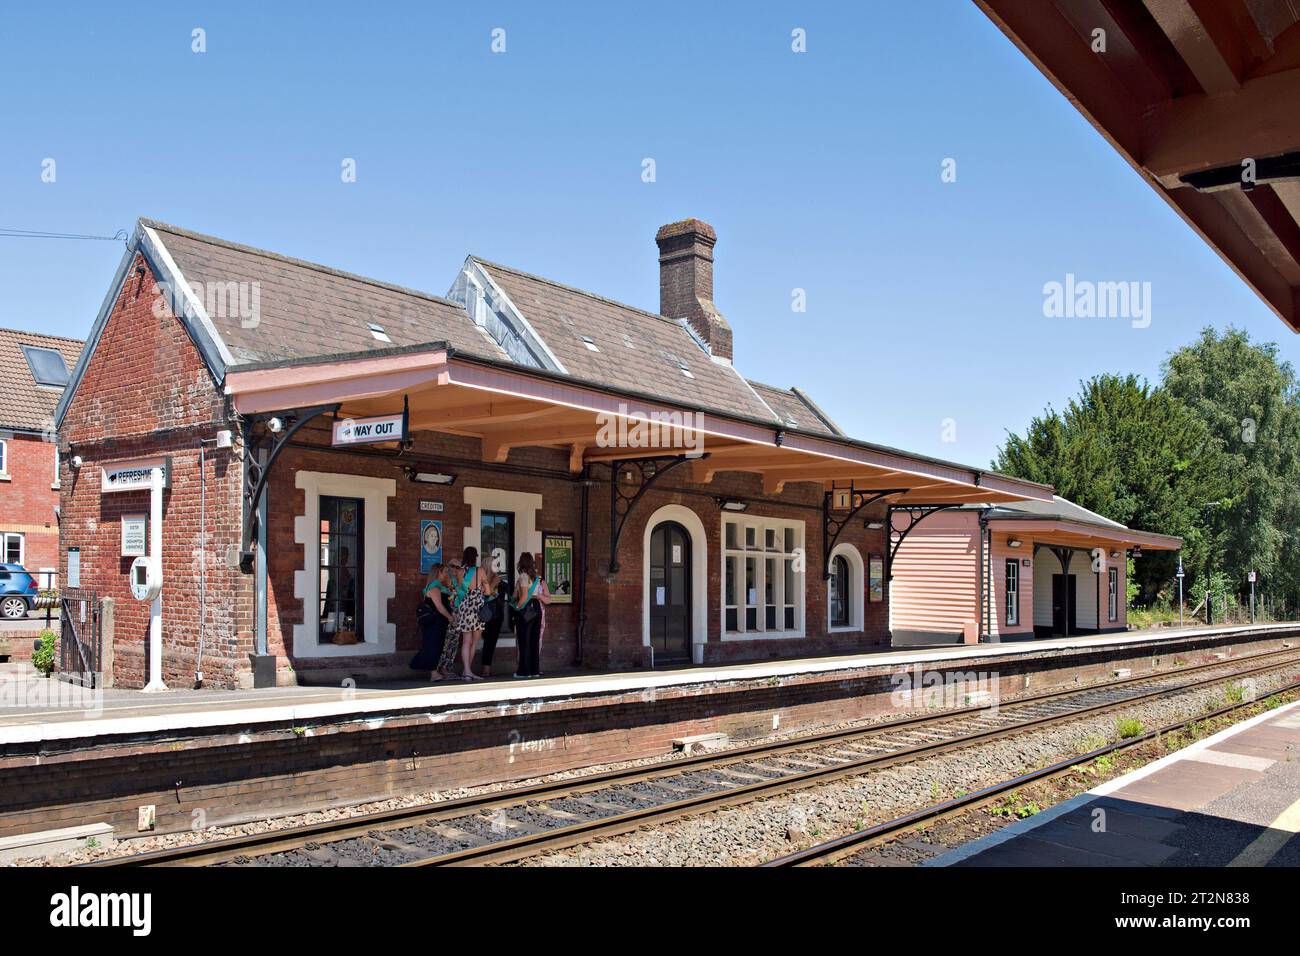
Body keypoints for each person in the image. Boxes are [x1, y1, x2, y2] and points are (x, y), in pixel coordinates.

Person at [442, 547, 488, 681]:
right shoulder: (480, 571)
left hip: (464, 608)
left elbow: (455, 588)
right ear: (475, 557)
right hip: (477, 608)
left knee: (466, 641)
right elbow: (488, 591)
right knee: (474, 642)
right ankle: (467, 671)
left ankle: (467, 671)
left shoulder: (460, 572)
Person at [411, 564, 454, 680]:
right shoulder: (434, 587)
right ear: (438, 573)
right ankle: (434, 674)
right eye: (444, 572)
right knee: (433, 646)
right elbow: (439, 606)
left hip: (438, 622)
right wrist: (450, 617)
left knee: (436, 645)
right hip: (435, 622)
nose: (446, 574)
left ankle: (435, 672)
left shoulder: (439, 586)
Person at [512, 552, 551, 677]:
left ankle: (523, 671)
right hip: (537, 608)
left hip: (526, 608)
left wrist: (516, 608)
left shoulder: (523, 576)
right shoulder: (538, 578)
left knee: (524, 640)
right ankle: (534, 670)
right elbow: (548, 599)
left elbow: (523, 597)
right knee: (534, 640)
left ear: (521, 563)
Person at [478, 565, 510, 678]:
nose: (496, 570)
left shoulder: (500, 582)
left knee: (491, 642)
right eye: (493, 568)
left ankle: (487, 668)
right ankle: (484, 669)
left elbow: (507, 590)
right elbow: (484, 596)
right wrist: (493, 583)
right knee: (486, 641)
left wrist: (498, 582)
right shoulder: (481, 580)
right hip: (486, 615)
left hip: (497, 615)